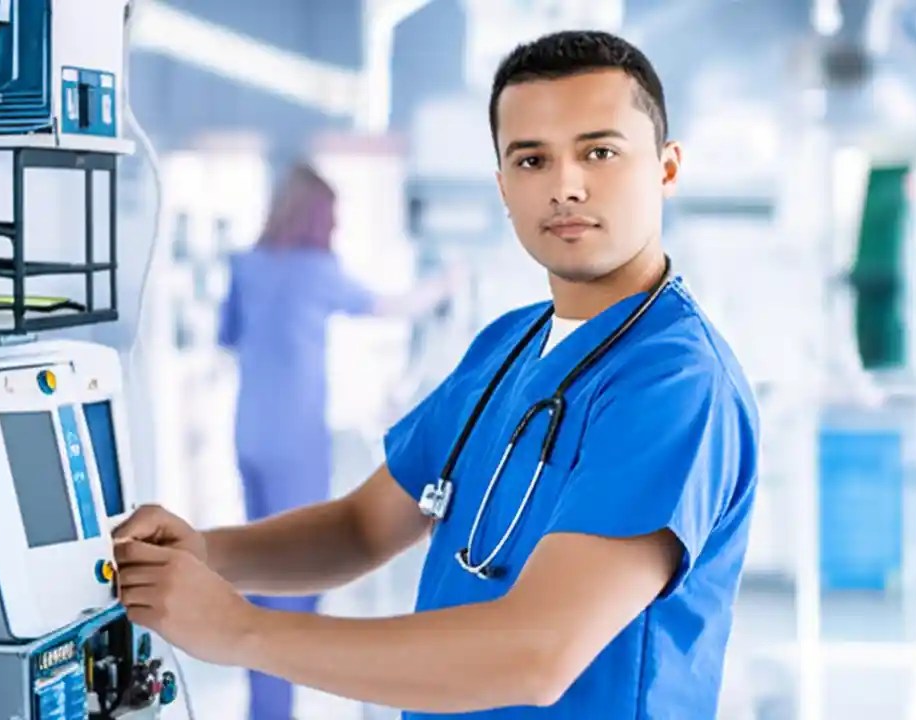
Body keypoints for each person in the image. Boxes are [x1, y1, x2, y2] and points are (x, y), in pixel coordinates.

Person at [114, 30, 760, 719]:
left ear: (666, 169)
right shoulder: (509, 346)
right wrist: (206, 553)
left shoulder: (674, 383)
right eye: (532, 159)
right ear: (504, 187)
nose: (566, 185)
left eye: (599, 151)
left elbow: (535, 655)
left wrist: (243, 631)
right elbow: (363, 528)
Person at [216, 162, 454, 720]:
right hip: (296, 437)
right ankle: (273, 711)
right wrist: (446, 283)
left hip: (248, 433)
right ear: (316, 217)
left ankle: (262, 707)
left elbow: (227, 337)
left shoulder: (247, 266)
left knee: (256, 566)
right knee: (299, 572)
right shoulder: (315, 271)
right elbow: (388, 307)